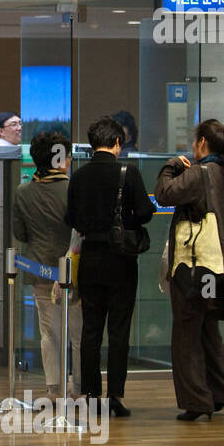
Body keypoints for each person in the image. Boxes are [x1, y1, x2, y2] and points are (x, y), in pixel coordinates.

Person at [66, 116, 155, 417]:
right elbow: (145, 212)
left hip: (90, 258)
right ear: (117, 143)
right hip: (121, 261)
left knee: (91, 329)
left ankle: (91, 394)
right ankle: (115, 395)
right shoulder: (128, 173)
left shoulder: (78, 176)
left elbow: (72, 219)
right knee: (119, 330)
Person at [154, 119, 224, 421]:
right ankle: (222, 394)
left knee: (186, 333)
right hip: (216, 269)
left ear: (203, 143)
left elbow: (164, 194)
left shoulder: (199, 174)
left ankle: (197, 401)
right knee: (207, 329)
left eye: (195, 141)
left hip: (193, 267)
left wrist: (170, 166)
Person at [12, 130, 81, 397]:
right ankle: (79, 387)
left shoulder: (23, 191)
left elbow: (21, 234)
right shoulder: (74, 189)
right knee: (78, 334)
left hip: (40, 269)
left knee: (49, 332)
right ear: (60, 158)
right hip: (75, 271)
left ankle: (54, 388)